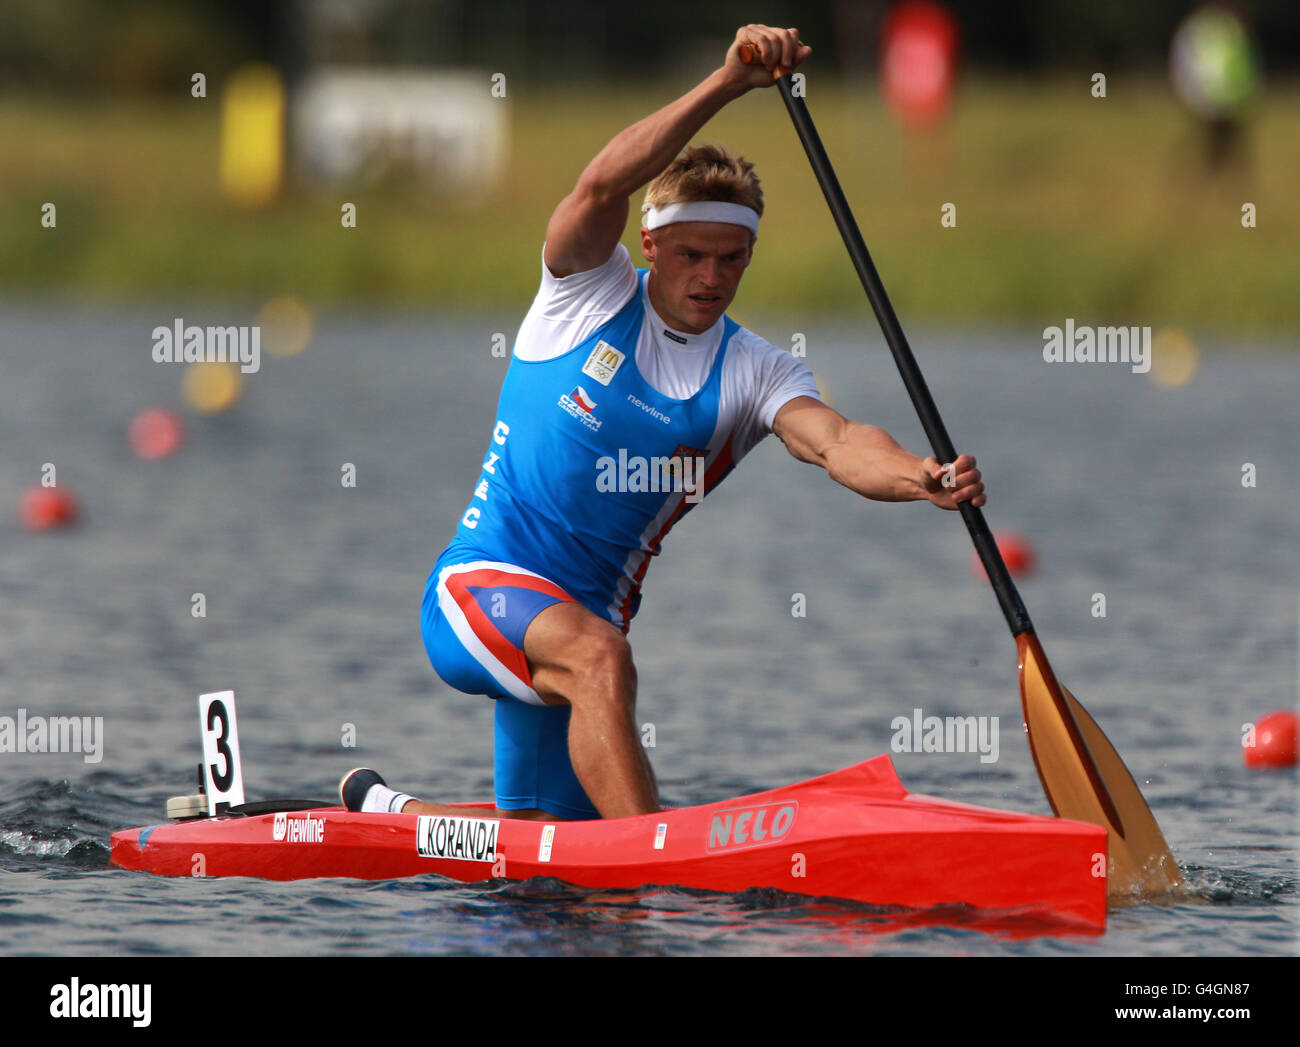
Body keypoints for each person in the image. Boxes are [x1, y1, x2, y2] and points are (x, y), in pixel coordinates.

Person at [341, 24, 985, 822]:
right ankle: (654, 871)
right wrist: (725, 84)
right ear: (650, 241)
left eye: (731, 258)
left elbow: (840, 442)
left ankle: (387, 812)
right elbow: (600, 184)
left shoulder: (755, 371)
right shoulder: (586, 291)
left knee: (542, 853)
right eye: (690, 255)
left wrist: (921, 477)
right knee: (603, 665)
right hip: (478, 594)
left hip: (581, 633)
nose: (711, 277)